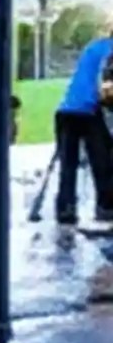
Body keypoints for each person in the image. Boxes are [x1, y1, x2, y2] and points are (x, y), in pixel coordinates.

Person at [54, 29, 113, 225]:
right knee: (102, 160)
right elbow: (105, 87)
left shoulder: (95, 46)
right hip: (87, 110)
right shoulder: (109, 51)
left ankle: (66, 209)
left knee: (68, 165)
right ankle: (105, 207)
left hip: (67, 110)